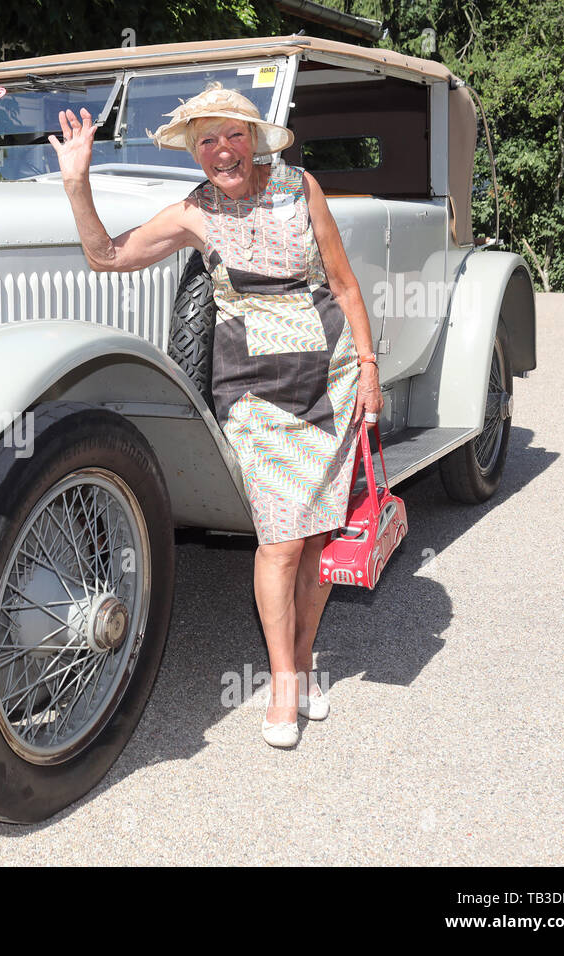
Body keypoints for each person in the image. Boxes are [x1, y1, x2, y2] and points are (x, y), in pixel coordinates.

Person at [49, 82, 384, 749]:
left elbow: (344, 285)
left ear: (253, 140)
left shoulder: (300, 189)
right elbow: (106, 256)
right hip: (254, 391)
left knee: (317, 537)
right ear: (195, 153)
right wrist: (77, 187)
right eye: (206, 140)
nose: (221, 150)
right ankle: (285, 679)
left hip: (331, 379)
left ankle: (305, 660)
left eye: (232, 134)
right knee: (281, 540)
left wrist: (370, 368)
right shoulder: (193, 214)